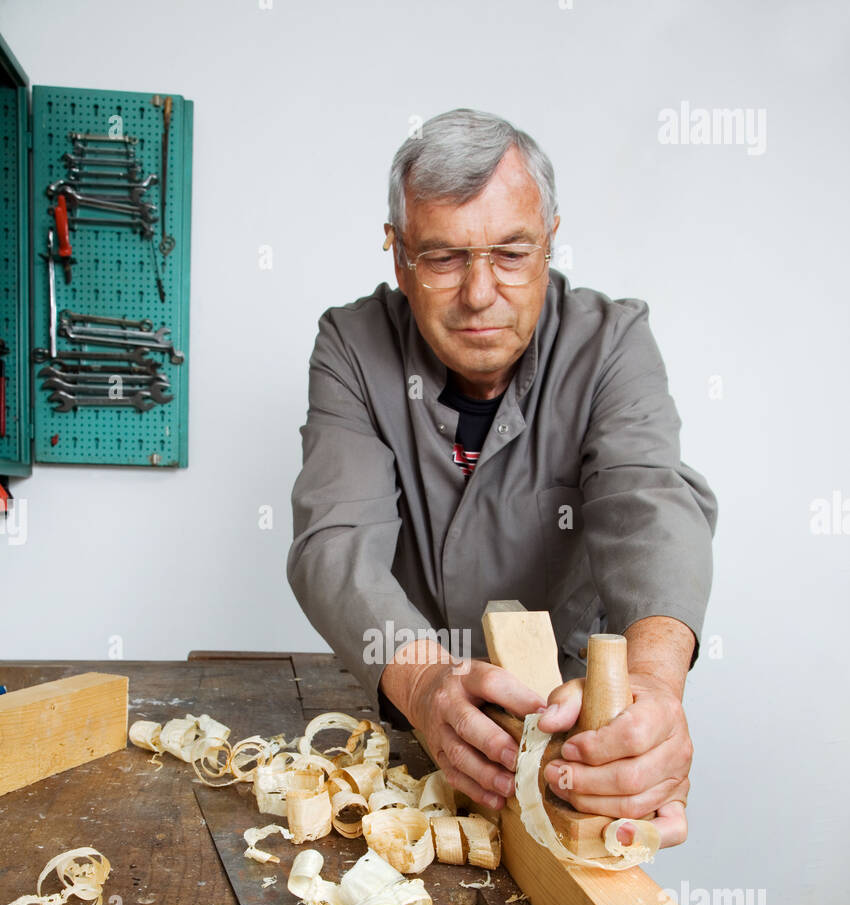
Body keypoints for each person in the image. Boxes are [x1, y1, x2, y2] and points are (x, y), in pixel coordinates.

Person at [288, 109, 717, 847]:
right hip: (418, 729)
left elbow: (648, 503)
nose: (481, 294)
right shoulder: (352, 347)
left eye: (513, 253)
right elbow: (336, 543)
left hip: (574, 732)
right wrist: (425, 686)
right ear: (398, 257)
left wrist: (654, 687)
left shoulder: (612, 343)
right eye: (444, 258)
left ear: (550, 241)